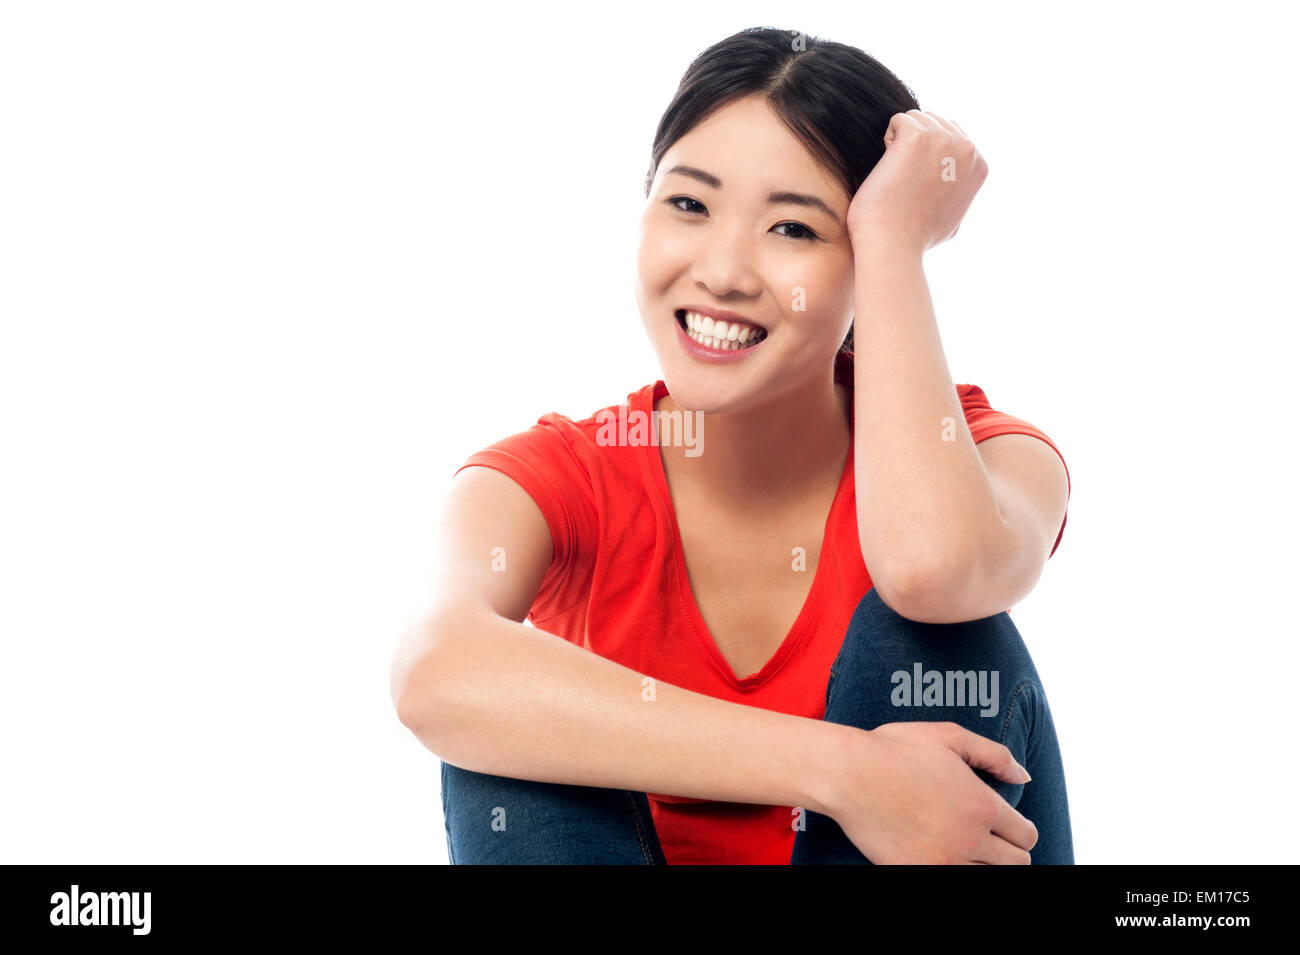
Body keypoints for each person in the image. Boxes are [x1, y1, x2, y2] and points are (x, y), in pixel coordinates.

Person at [392, 26, 1074, 864]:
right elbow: (435, 668)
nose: (722, 272)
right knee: (502, 727)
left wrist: (896, 240)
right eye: (689, 204)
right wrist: (844, 772)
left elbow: (930, 570)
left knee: (936, 637)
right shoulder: (555, 477)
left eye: (793, 229)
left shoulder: (983, 455)